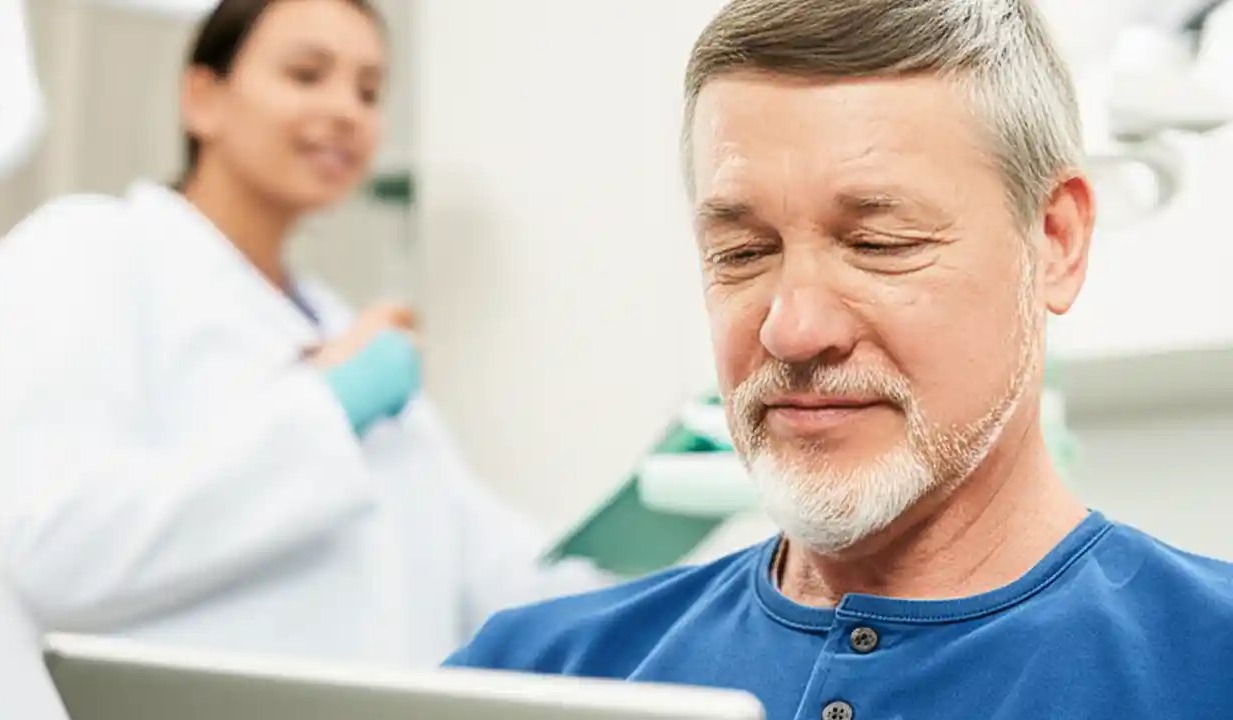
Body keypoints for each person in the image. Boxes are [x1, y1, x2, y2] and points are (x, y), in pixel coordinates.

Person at [446, 1, 1233, 718]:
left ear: (1055, 243)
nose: (792, 330)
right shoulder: (533, 677)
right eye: (742, 252)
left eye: (878, 246)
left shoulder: (1207, 665)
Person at [0, 1, 601, 718]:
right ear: (202, 96)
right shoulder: (78, 255)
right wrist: (329, 407)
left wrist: (699, 558)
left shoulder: (340, 327)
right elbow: (60, 548)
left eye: (368, 90)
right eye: (306, 74)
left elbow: (502, 576)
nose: (345, 110)